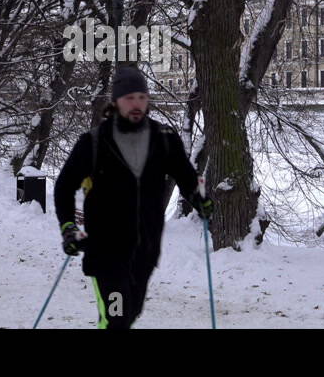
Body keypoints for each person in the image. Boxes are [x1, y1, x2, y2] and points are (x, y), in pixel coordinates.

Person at [53, 65, 214, 329]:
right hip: (106, 253)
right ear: (116, 101)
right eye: (129, 98)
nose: (136, 104)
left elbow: (186, 176)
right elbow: (64, 187)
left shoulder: (164, 139)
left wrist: (199, 199)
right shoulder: (93, 143)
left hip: (145, 250)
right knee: (116, 318)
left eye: (141, 97)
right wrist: (68, 227)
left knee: (129, 313)